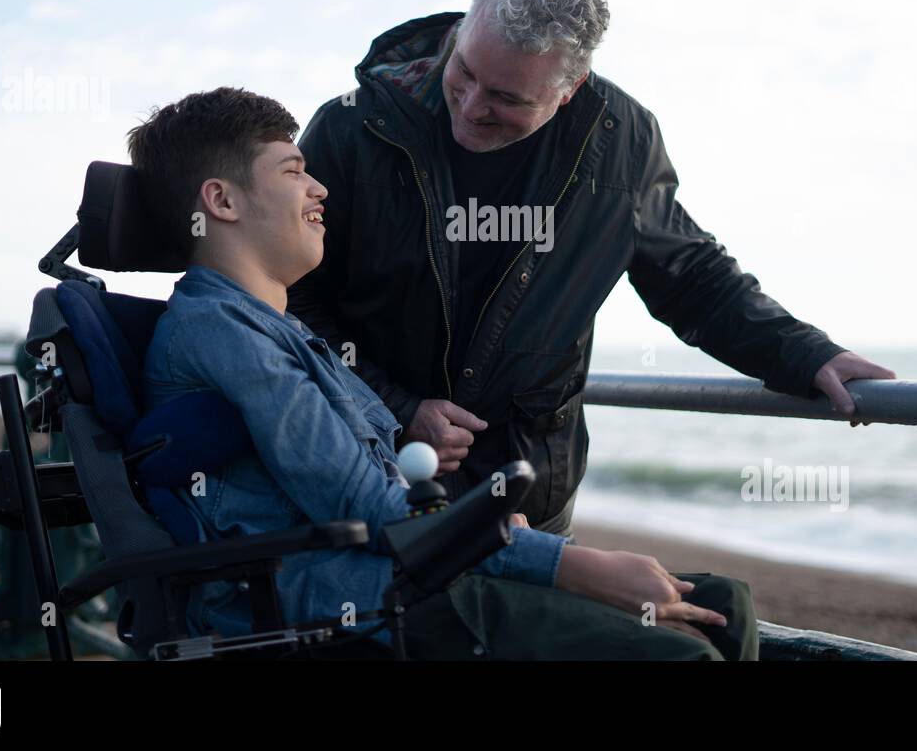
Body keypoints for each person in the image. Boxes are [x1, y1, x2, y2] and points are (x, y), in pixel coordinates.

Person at [131, 86, 757, 660]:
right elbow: (362, 504)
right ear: (221, 199)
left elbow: (382, 486)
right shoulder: (220, 330)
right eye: (294, 171)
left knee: (726, 603)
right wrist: (571, 564)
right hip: (355, 606)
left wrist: (482, 525)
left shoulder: (284, 328)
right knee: (685, 654)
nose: (319, 188)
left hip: (408, 571)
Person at [291, 0, 897, 537]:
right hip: (360, 469)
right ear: (462, 30)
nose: (472, 106)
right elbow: (284, 299)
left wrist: (804, 353)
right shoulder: (352, 125)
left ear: (570, 87)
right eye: (465, 72)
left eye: (507, 98)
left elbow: (690, 276)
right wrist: (395, 408)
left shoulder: (622, 138)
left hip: (529, 490)